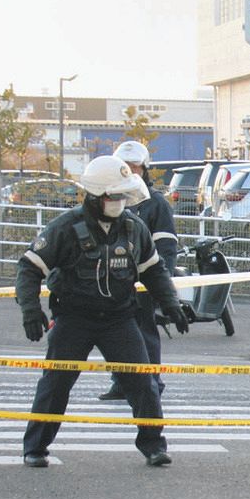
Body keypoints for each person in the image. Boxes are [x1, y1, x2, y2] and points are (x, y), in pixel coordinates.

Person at [15, 155, 189, 468]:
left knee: (144, 384)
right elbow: (29, 268)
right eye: (115, 196)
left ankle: (153, 445)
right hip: (73, 319)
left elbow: (154, 270)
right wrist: (30, 310)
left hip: (119, 318)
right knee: (55, 384)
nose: (121, 202)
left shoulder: (134, 228)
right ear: (96, 195)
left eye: (125, 195)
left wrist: (171, 304)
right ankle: (36, 447)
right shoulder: (65, 228)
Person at [99, 141, 179, 401]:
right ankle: (121, 383)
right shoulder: (110, 200)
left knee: (145, 332)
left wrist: (160, 284)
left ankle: (152, 381)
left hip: (143, 282)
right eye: (126, 167)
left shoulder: (155, 204)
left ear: (145, 170)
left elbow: (166, 247)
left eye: (136, 167)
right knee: (115, 336)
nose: (132, 172)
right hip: (113, 282)